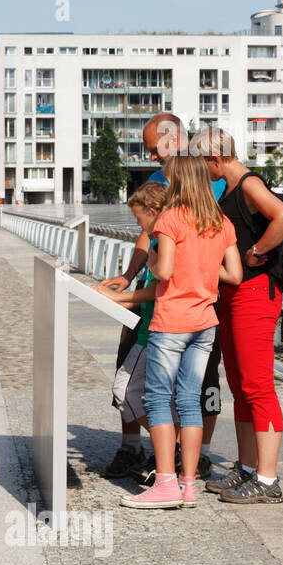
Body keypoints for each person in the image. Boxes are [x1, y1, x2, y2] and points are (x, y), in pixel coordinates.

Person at [100, 113, 225, 478]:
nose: (151, 156)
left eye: (154, 149)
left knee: (201, 381)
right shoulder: (156, 181)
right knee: (131, 360)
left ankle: (196, 453)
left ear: (173, 140)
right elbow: (147, 234)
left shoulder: (210, 179)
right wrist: (128, 275)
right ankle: (134, 447)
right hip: (158, 289)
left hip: (195, 298)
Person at [120, 154, 241, 509]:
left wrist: (158, 261)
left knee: (157, 399)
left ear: (180, 184)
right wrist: (204, 266)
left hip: (172, 322)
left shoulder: (170, 219)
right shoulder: (220, 221)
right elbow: (233, 274)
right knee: (189, 402)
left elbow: (164, 272)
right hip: (205, 323)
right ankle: (189, 485)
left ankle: (165, 484)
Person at [193, 127, 283, 504]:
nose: (203, 170)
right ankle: (248, 468)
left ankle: (268, 481)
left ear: (216, 159)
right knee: (239, 386)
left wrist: (255, 252)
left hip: (255, 295)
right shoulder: (230, 189)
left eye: (204, 163)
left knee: (258, 387)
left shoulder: (249, 184)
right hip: (234, 295)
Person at [97, 182, 166, 481]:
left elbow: (158, 289)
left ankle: (169, 445)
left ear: (153, 212)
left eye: (139, 219)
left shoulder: (163, 244)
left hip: (153, 332)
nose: (138, 226)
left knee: (124, 389)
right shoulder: (157, 241)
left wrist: (118, 298)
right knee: (156, 395)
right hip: (153, 329)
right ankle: (163, 452)